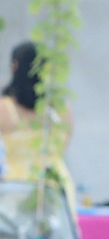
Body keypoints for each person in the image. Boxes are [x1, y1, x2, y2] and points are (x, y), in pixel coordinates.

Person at [0, 41, 72, 189]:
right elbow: (65, 144)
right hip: (55, 185)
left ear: (14, 65)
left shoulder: (4, 108)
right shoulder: (62, 107)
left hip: (17, 186)